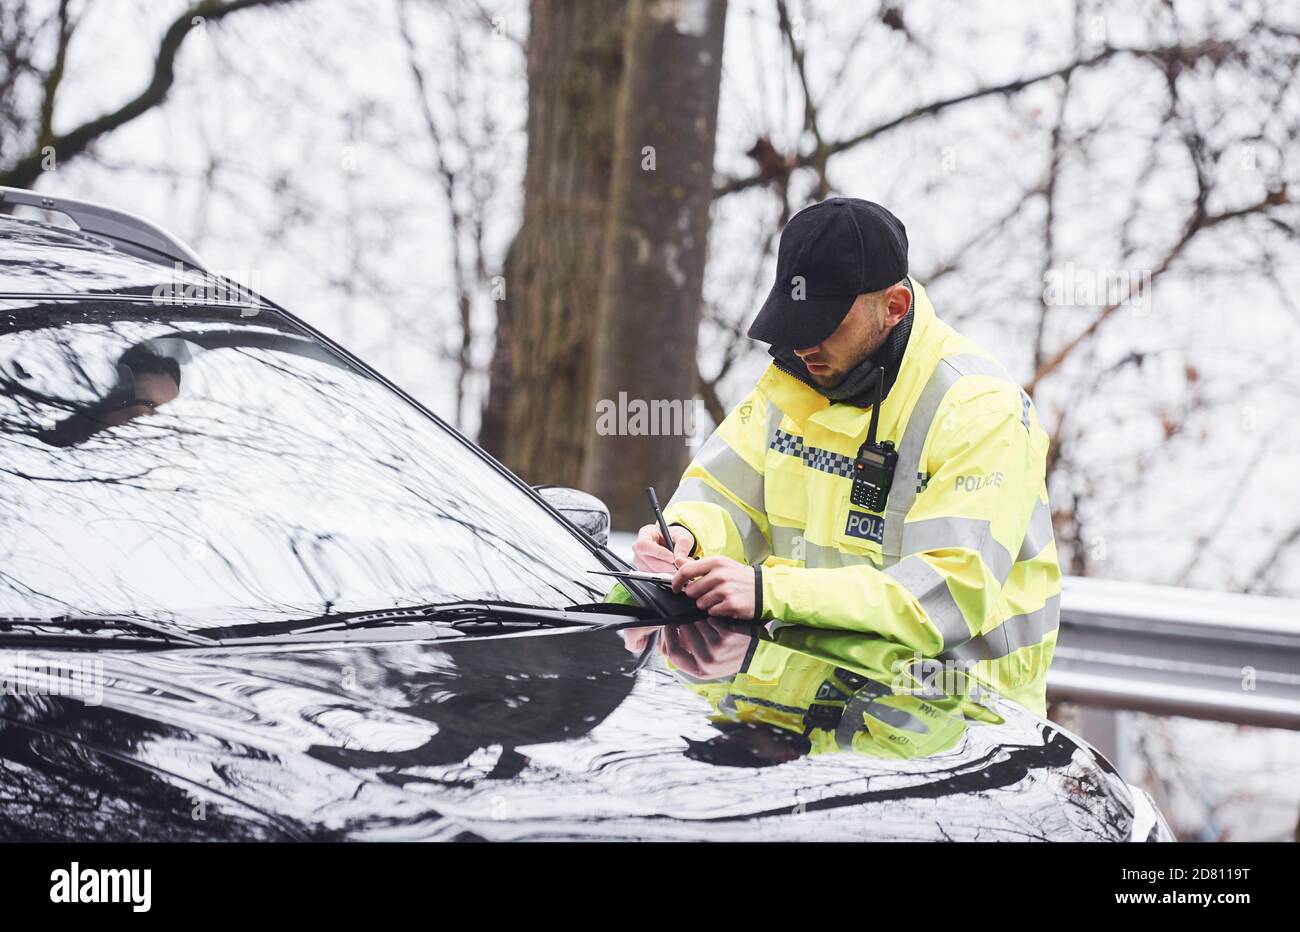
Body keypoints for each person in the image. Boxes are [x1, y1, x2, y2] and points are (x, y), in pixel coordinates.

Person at [632, 197, 1060, 716]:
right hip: (817, 708)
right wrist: (687, 535)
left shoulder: (979, 409)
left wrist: (770, 590)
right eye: (793, 319)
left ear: (894, 307)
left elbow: (941, 597)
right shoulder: (794, 385)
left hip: (964, 724)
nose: (804, 343)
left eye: (825, 323)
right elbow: (722, 494)